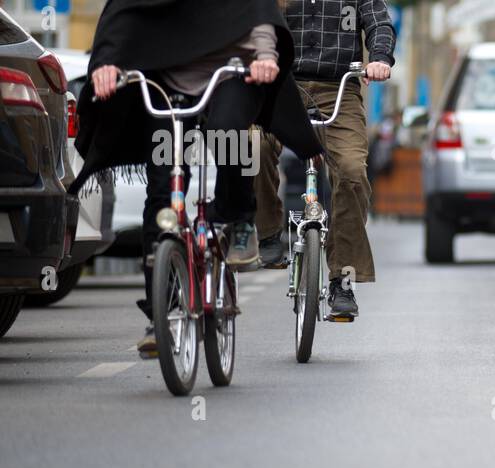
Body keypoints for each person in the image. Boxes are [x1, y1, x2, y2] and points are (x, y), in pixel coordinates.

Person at [70, 0, 323, 356]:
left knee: (228, 132)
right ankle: (163, 311)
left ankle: (238, 219)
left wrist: (266, 56)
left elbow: (259, 13)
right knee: (161, 193)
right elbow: (122, 14)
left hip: (233, 73)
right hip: (170, 80)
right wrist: (106, 64)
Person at [255, 0, 395, 321]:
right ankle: (267, 233)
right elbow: (253, 20)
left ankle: (343, 279)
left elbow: (380, 24)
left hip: (339, 88)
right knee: (254, 146)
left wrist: (379, 59)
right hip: (281, 84)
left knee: (352, 171)